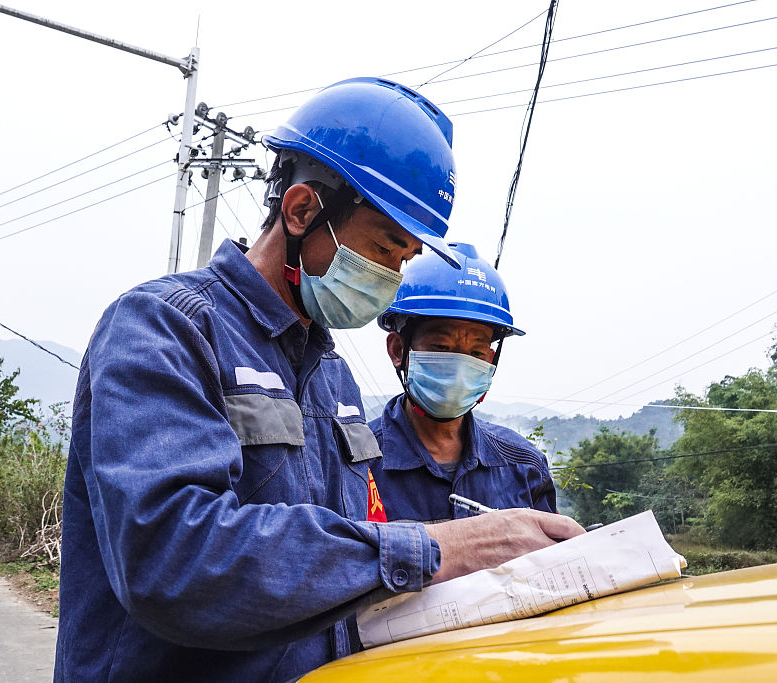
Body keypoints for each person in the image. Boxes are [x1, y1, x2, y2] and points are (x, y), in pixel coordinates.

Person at [54, 77, 583, 682]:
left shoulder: (334, 377)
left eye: (406, 258)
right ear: (303, 209)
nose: (391, 276)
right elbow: (173, 560)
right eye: (385, 249)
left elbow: (342, 564)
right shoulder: (168, 328)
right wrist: (447, 548)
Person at [370, 243, 556, 523]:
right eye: (442, 347)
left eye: (476, 353)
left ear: (490, 361)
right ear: (398, 350)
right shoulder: (357, 464)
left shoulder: (525, 467)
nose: (459, 367)